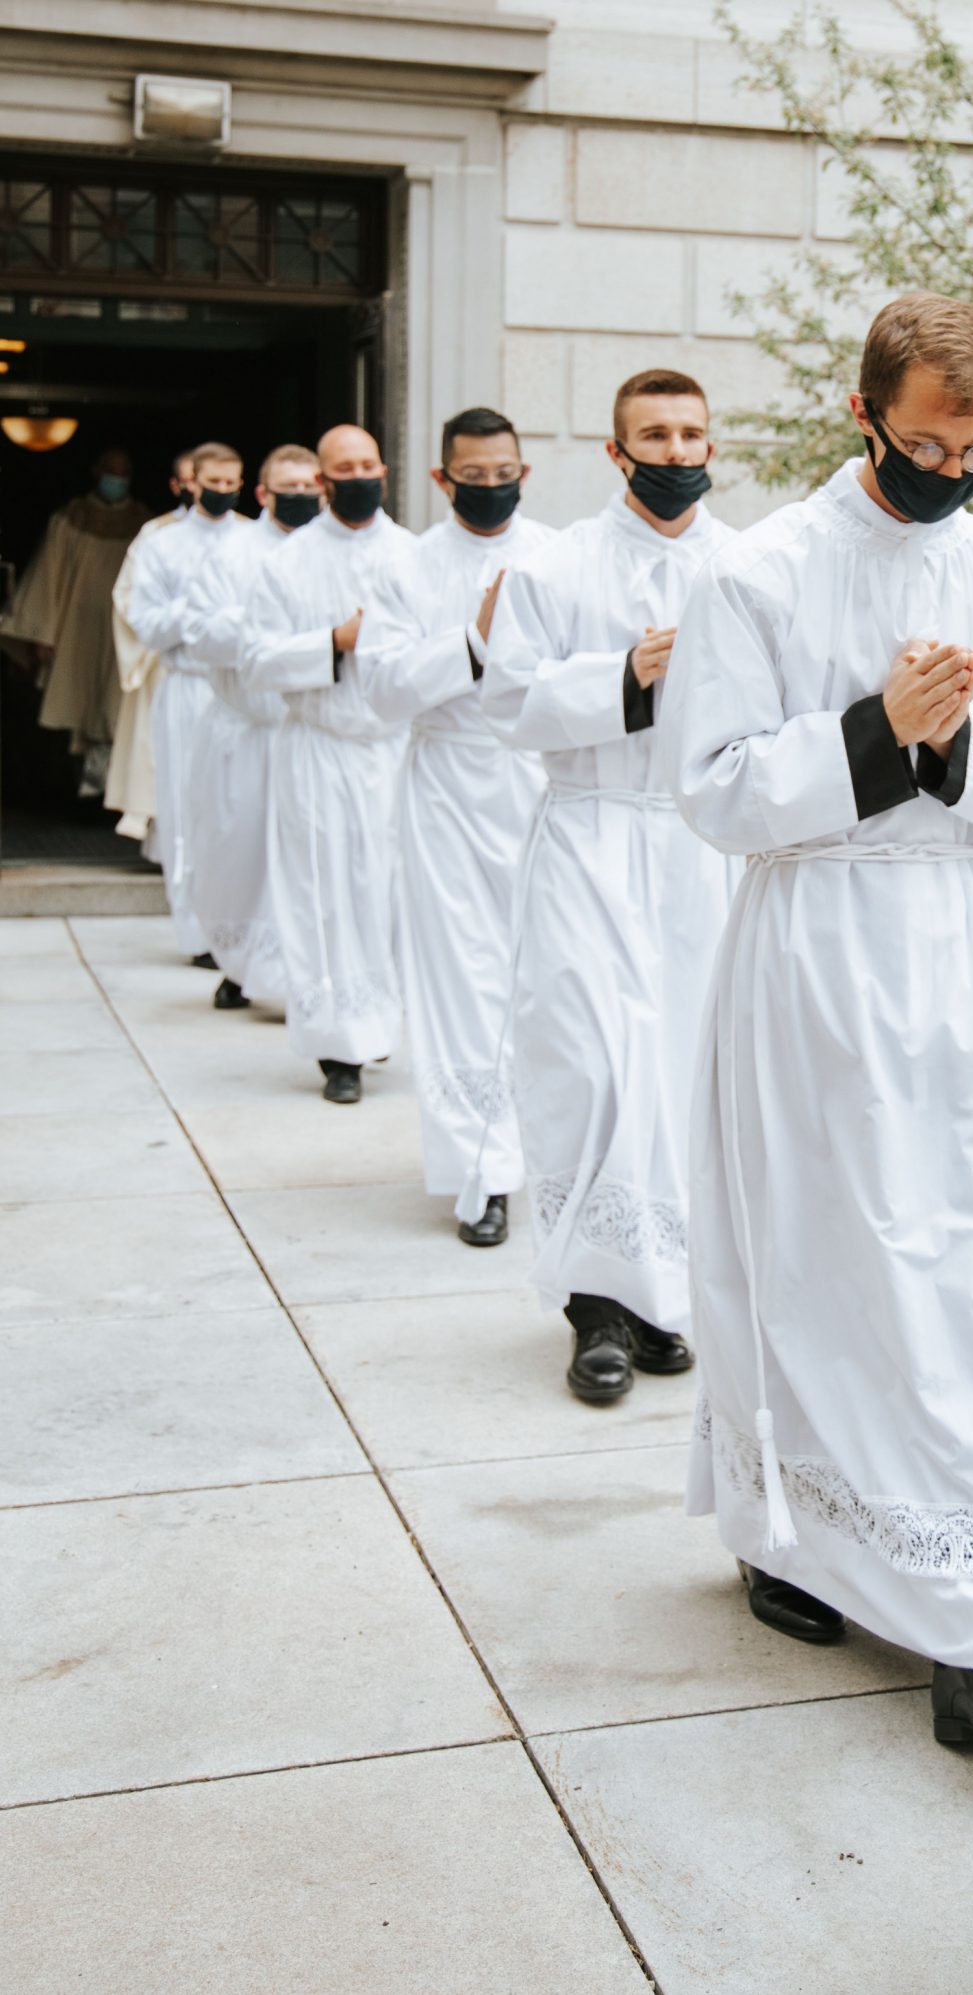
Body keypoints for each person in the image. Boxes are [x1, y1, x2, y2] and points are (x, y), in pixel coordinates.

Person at [665, 294, 973, 1748]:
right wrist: (874, 732)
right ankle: (788, 1530)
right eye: (924, 439)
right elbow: (717, 788)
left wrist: (960, 741)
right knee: (826, 1253)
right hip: (816, 940)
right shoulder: (761, 574)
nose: (953, 467)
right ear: (864, 415)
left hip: (960, 940)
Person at [483, 371, 737, 1389]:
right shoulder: (559, 566)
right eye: (654, 435)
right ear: (615, 450)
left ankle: (659, 1291)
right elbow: (508, 703)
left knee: (679, 1068)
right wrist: (625, 676)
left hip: (696, 850)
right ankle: (594, 1306)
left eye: (690, 433)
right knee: (589, 1063)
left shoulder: (749, 564)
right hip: (590, 832)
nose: (676, 452)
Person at [355, 407, 552, 1245]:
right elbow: (381, 687)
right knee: (460, 979)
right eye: (472, 477)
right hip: (445, 787)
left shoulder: (557, 555)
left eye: (502, 473)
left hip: (542, 779)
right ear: (442, 480)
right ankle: (482, 1171)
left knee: (545, 976)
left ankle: (552, 1148)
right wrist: (473, 638)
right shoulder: (407, 567)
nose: (490, 488)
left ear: (524, 472)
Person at [239, 424, 414, 1103]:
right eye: (347, 467)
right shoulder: (287, 562)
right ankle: (338, 1049)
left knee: (391, 895)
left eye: (370, 465)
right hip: (318, 750)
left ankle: (389, 1021)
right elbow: (254, 661)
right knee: (326, 896)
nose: (361, 476)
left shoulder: (411, 553)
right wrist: (334, 641)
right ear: (322, 480)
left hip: (395, 749)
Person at [182, 444, 324, 1010]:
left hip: (311, 732)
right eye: (288, 489)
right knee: (236, 853)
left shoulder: (330, 551)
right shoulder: (231, 553)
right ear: (263, 494)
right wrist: (272, 625)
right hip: (245, 728)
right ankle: (238, 963)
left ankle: (293, 977)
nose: (302, 498)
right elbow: (200, 633)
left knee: (303, 863)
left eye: (311, 488)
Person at [124, 442, 253, 964]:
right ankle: (196, 934)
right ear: (191, 483)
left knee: (235, 807)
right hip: (185, 686)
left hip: (240, 689)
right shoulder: (162, 544)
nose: (222, 492)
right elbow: (145, 621)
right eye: (212, 483)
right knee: (183, 807)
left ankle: (238, 930)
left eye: (231, 483)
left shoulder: (252, 541)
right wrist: (201, 611)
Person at [0, 447, 149, 786]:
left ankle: (108, 790)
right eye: (111, 470)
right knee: (75, 702)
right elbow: (48, 576)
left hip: (122, 632)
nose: (117, 479)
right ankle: (69, 788)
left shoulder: (144, 523)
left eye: (124, 472)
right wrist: (43, 633)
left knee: (115, 706)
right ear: (96, 471)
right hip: (74, 631)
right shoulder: (70, 518)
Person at [108, 451, 196, 843]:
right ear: (176, 486)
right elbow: (128, 595)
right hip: (167, 662)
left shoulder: (245, 534)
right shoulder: (156, 534)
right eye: (191, 480)